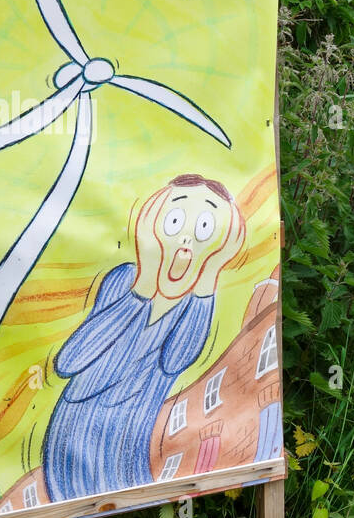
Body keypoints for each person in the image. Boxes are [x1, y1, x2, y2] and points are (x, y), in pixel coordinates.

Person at [42, 173, 245, 501]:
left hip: (126, 448)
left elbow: (176, 360)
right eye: (175, 220)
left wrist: (209, 275)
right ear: (154, 221)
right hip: (71, 436)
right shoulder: (122, 280)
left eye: (205, 228)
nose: (186, 239)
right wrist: (142, 288)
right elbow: (68, 362)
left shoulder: (195, 306)